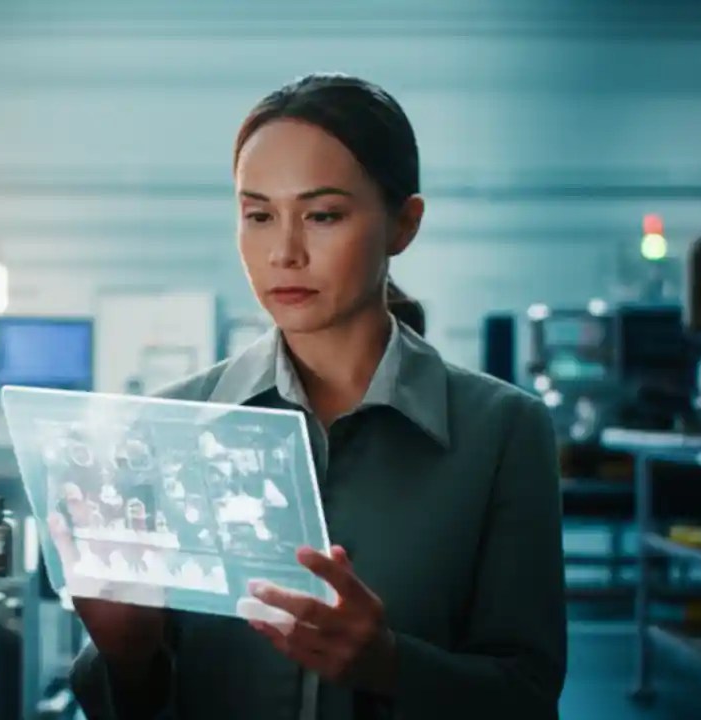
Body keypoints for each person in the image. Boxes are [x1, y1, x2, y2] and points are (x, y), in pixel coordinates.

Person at [66, 72, 567, 719]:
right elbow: (122, 703)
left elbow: (528, 696)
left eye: (323, 215)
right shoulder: (169, 426)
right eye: (258, 215)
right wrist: (127, 653)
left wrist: (389, 665)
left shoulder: (501, 432)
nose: (284, 252)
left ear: (403, 224)